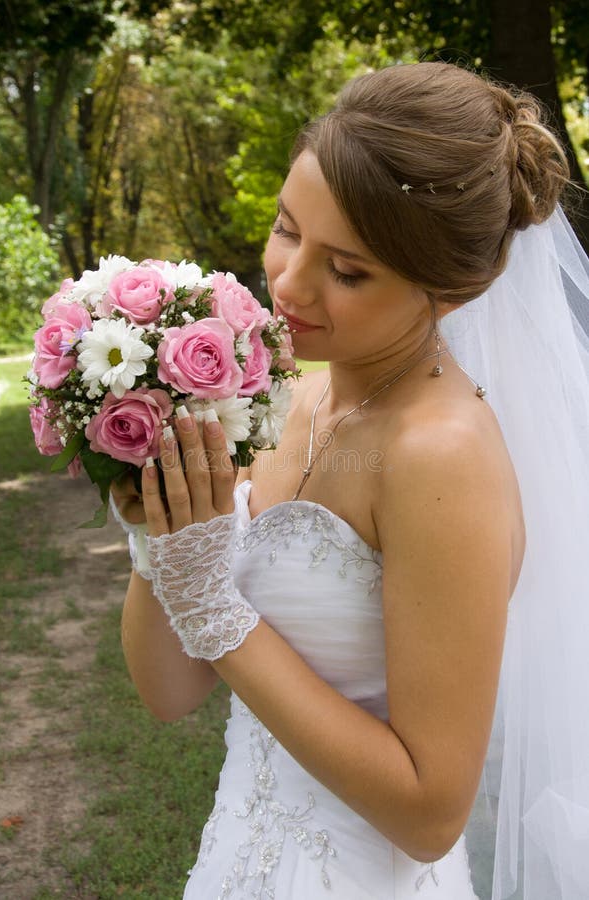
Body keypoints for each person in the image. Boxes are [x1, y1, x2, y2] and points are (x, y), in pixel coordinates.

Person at [111, 61, 589, 899]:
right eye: (287, 229)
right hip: (237, 861)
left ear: (449, 291)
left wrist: (215, 609)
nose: (288, 284)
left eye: (348, 271)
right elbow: (168, 691)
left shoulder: (441, 454)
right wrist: (163, 538)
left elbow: (430, 813)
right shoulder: (284, 394)